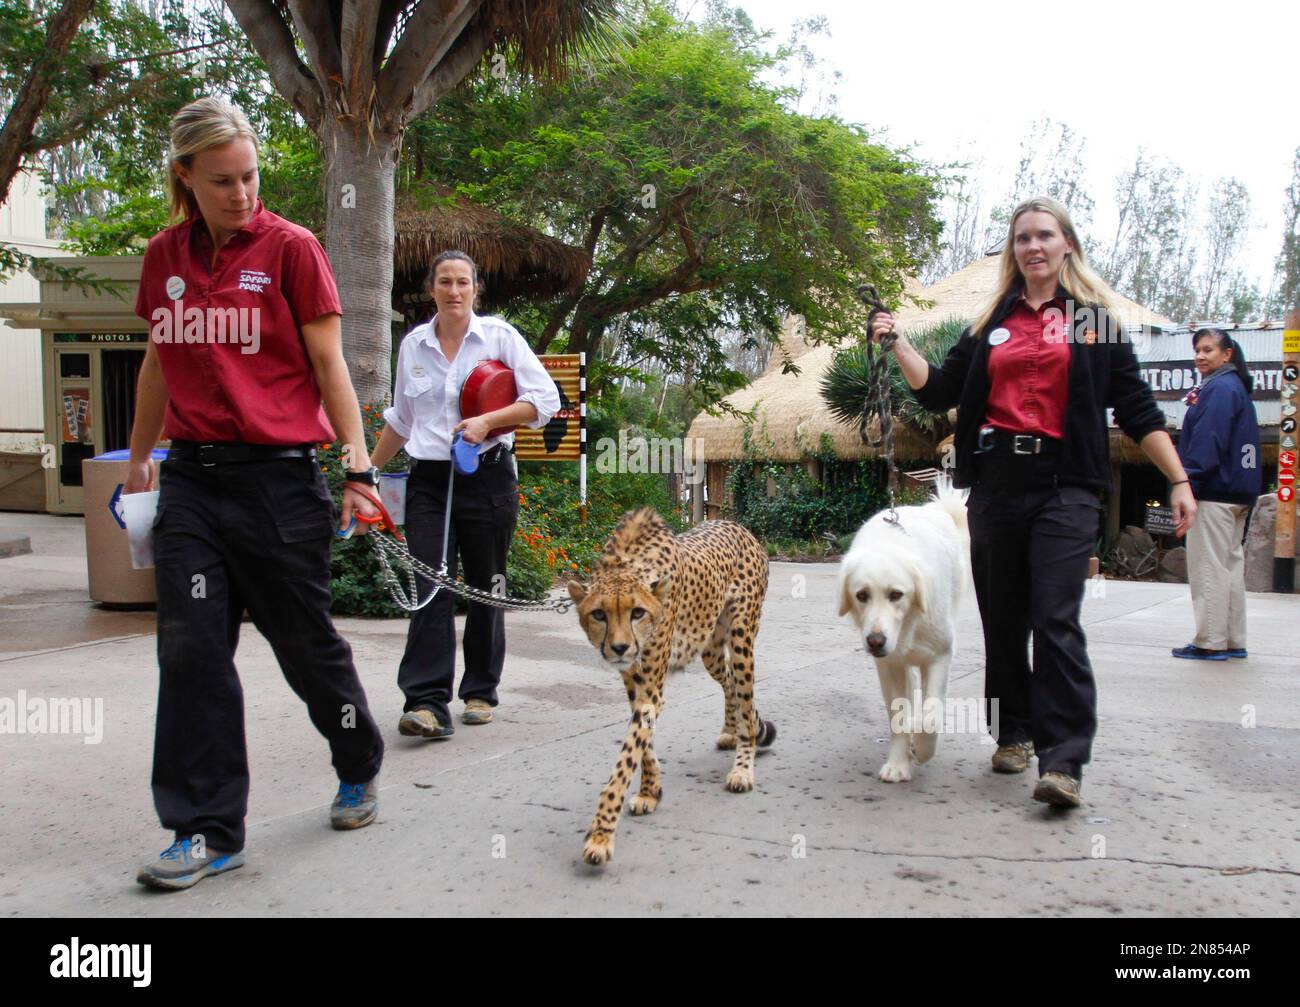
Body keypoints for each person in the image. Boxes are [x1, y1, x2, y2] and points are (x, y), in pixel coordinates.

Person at [126, 97, 385, 890]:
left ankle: (356, 757)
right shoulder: (164, 258)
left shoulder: (291, 249)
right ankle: (207, 828)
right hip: (195, 482)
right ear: (185, 176)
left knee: (303, 641)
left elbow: (329, 364)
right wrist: (141, 457)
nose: (242, 193)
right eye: (223, 181)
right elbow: (158, 362)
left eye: (250, 176)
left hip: (278, 480)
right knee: (192, 650)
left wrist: (359, 466)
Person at [871, 196, 1198, 809]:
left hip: (1066, 486)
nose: (1033, 247)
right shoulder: (992, 321)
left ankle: (1064, 760)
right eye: (1022, 238)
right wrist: (896, 345)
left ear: (1066, 243)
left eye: (1044, 235)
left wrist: (1179, 480)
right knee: (1004, 622)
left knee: (1056, 619)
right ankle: (1012, 734)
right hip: (995, 485)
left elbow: (1136, 409)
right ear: (1013, 251)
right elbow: (938, 390)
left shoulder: (1092, 323)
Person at [370, 250, 559, 739]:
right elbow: (401, 420)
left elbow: (544, 401)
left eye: (463, 282)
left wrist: (488, 422)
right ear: (431, 289)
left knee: (485, 584)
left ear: (476, 290)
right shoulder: (413, 345)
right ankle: (427, 702)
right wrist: (366, 472)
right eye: (445, 282)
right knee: (430, 583)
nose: (454, 291)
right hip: (429, 481)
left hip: (489, 476)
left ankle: (479, 690)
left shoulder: (500, 337)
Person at [1172, 328, 1262, 661]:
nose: (1200, 356)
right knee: (1229, 568)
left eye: (1209, 350)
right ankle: (1233, 639)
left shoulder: (1218, 389)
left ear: (1227, 354)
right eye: (1197, 350)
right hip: (1238, 493)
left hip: (1214, 493)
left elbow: (1208, 442)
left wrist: (1187, 483)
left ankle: (1210, 641)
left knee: (1208, 567)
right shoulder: (1237, 388)